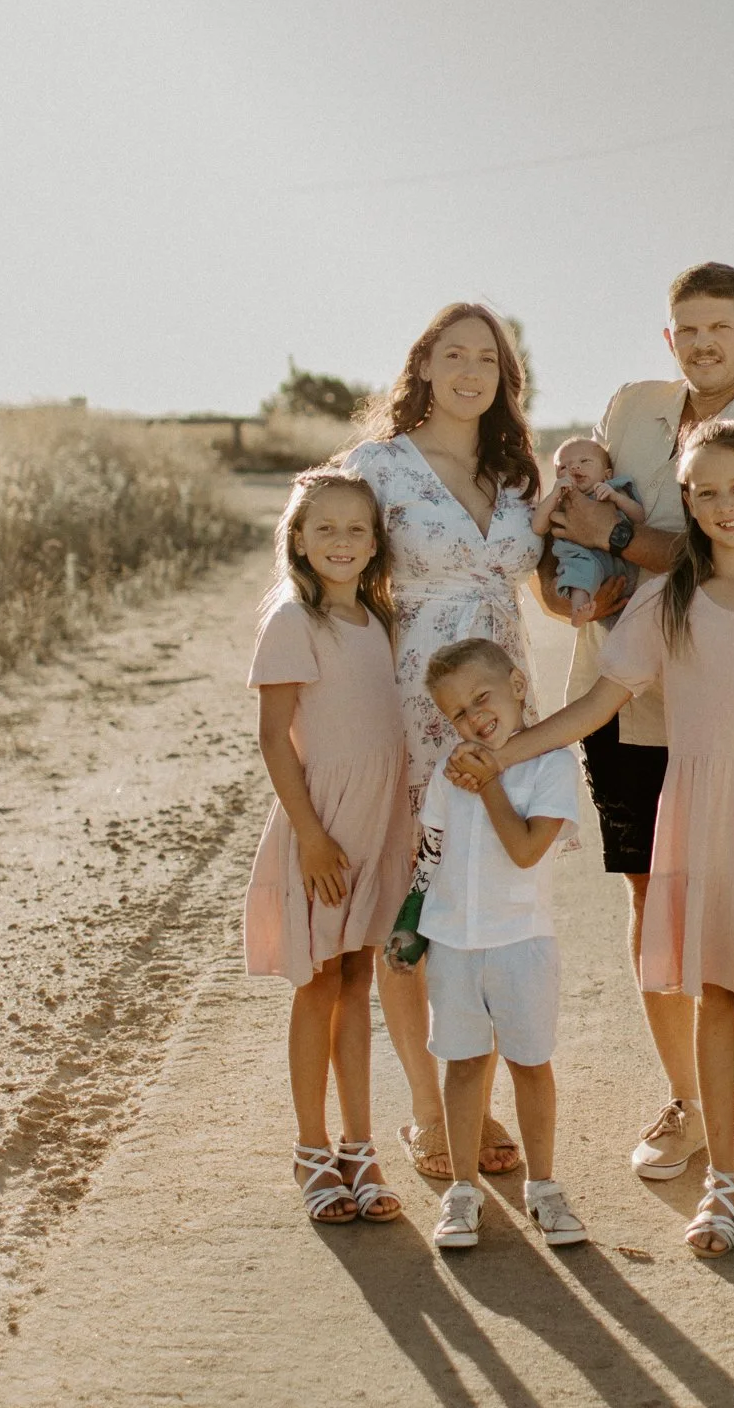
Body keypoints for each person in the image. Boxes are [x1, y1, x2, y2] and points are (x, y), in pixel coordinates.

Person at [451, 422, 734, 1258]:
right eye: (704, 492)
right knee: (713, 997)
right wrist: (509, 748)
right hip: (698, 816)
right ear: (685, 502)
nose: (724, 505)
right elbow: (598, 703)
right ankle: (722, 1178)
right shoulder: (667, 600)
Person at [538, 261, 734, 1193]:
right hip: (626, 691)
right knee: (653, 900)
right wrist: (566, 582)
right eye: (687, 328)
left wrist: (613, 543)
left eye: (721, 327)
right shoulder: (632, 408)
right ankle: (687, 1100)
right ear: (666, 336)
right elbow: (573, 517)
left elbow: (730, 559)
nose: (703, 343)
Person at [343, 303, 545, 1182]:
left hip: (505, 698)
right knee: (414, 899)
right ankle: (427, 1110)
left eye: (487, 360)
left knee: (484, 898)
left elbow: (568, 586)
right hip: (409, 694)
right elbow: (319, 565)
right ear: (422, 365)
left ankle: (475, 1094)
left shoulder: (518, 474)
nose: (470, 371)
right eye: (453, 354)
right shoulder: (375, 467)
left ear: (506, 377)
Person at [244, 469, 412, 1226]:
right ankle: (311, 1147)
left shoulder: (378, 617)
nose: (342, 542)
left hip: (376, 824)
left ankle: (359, 1144)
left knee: (356, 983)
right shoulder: (292, 619)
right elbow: (274, 739)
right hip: (326, 829)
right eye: (326, 529)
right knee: (318, 984)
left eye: (356, 530)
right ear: (299, 540)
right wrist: (310, 836)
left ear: (374, 543)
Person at [386, 637, 587, 1250]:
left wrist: (490, 782)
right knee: (465, 1061)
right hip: (454, 943)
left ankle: (544, 1188)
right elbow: (432, 856)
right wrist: (411, 924)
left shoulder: (551, 763)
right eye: (459, 714)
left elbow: (527, 851)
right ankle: (464, 1192)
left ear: (518, 685)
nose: (474, 720)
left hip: (520, 942)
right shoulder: (452, 769)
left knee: (529, 1062)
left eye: (483, 699)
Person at [530, 435, 645, 625]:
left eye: (585, 461)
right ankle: (578, 610)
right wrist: (554, 495)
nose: (574, 468)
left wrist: (616, 498)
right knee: (581, 571)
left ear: (607, 474)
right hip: (581, 555)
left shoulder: (613, 490)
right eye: (563, 467)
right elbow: (538, 526)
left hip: (619, 561)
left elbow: (639, 517)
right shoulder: (561, 501)